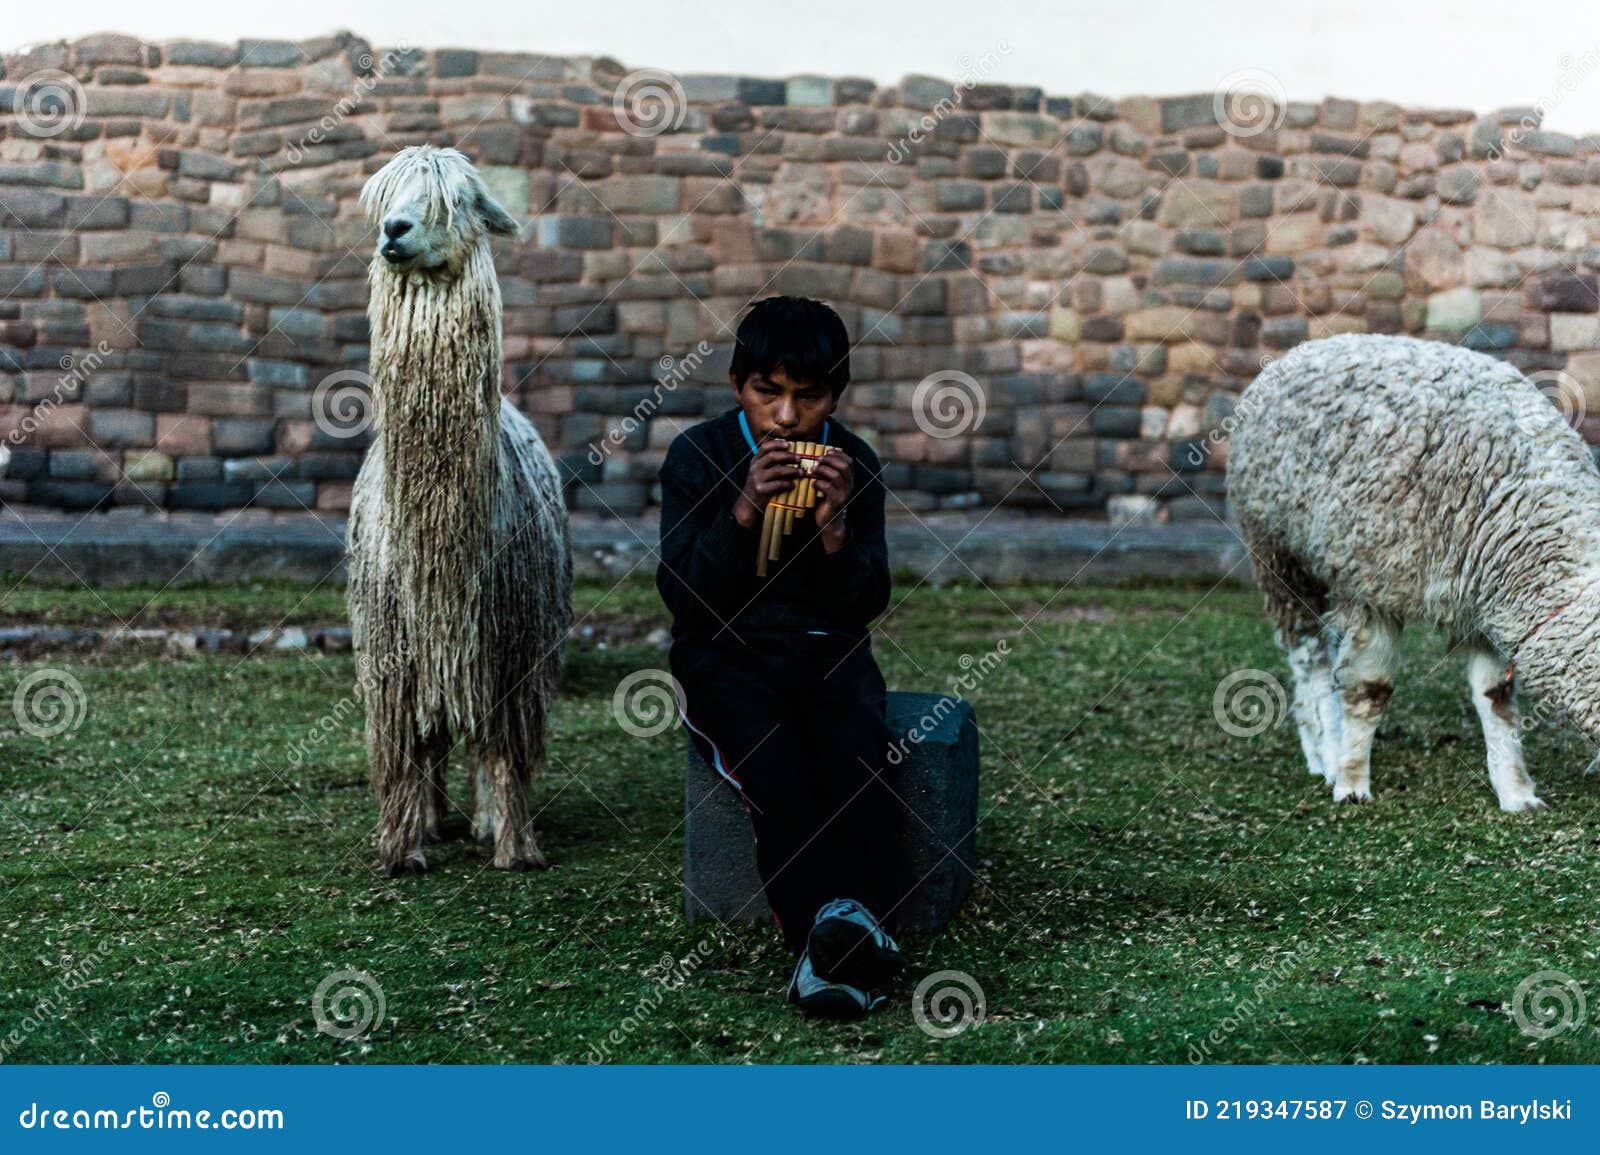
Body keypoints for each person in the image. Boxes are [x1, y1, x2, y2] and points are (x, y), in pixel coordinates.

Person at [655, 296, 906, 1018]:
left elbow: (864, 601)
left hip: (828, 653)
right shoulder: (696, 456)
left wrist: (834, 532)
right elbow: (684, 599)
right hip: (725, 656)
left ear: (836, 396)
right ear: (737, 385)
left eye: (809, 396)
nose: (788, 418)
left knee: (862, 758)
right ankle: (830, 932)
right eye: (769, 393)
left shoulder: (852, 461)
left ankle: (836, 942)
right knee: (775, 769)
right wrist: (739, 515)